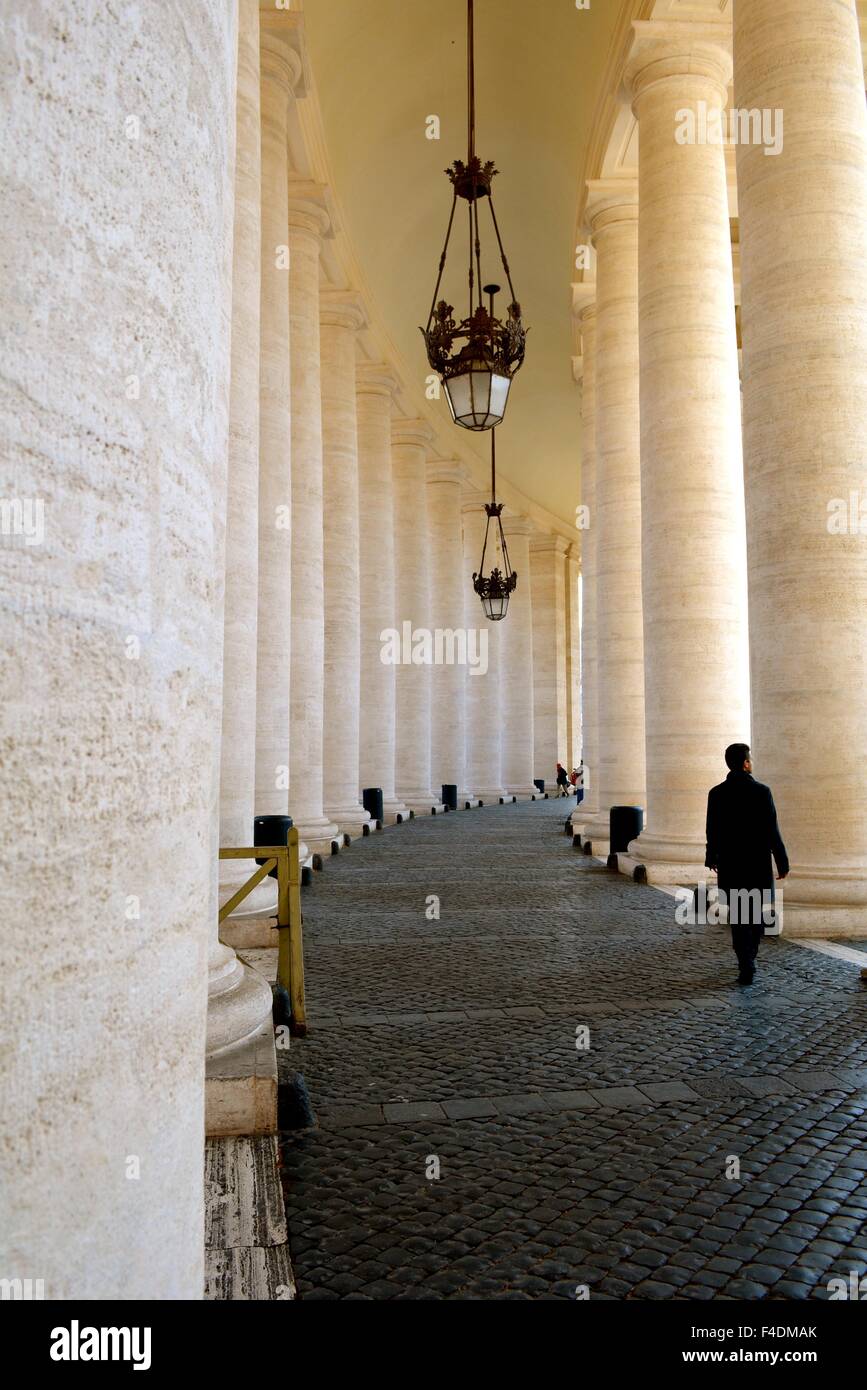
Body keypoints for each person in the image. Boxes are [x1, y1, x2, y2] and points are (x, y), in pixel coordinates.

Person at [705, 742, 789, 986]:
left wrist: (712, 857)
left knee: (739, 918)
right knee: (755, 917)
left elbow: (712, 830)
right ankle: (749, 959)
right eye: (750, 758)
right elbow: (772, 831)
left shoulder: (717, 793)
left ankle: (746, 964)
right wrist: (782, 862)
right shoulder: (762, 792)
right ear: (745, 763)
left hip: (731, 864)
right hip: (756, 864)